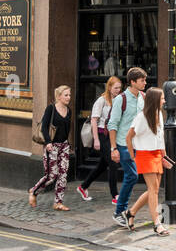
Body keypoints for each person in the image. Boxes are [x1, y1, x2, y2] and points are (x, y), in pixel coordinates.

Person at [124, 87, 170, 236]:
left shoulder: (159, 114)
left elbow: (160, 136)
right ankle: (157, 224)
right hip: (144, 155)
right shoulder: (141, 117)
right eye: (162, 98)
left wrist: (164, 155)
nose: (164, 100)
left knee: (154, 190)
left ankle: (131, 213)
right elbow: (128, 137)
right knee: (153, 189)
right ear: (155, 100)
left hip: (156, 154)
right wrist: (132, 155)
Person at [109, 67, 147, 228]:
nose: (145, 83)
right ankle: (119, 212)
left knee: (136, 177)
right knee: (132, 175)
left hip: (140, 145)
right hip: (124, 145)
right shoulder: (121, 99)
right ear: (132, 82)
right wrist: (113, 148)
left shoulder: (143, 97)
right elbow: (112, 124)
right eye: (142, 80)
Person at [76, 76, 121, 205]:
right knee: (113, 162)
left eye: (119, 88)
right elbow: (94, 120)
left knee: (102, 165)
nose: (118, 90)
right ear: (109, 87)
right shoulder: (101, 100)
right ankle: (115, 195)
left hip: (112, 135)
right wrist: (96, 139)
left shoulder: (118, 100)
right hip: (102, 134)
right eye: (116, 87)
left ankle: (83, 187)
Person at [28, 85, 73, 211]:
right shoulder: (51, 108)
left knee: (63, 175)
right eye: (66, 95)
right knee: (51, 175)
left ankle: (58, 202)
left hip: (63, 146)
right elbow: (44, 127)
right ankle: (34, 191)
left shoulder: (68, 111)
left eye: (69, 95)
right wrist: (48, 142)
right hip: (51, 146)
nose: (69, 97)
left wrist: (67, 145)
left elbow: (67, 129)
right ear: (59, 96)